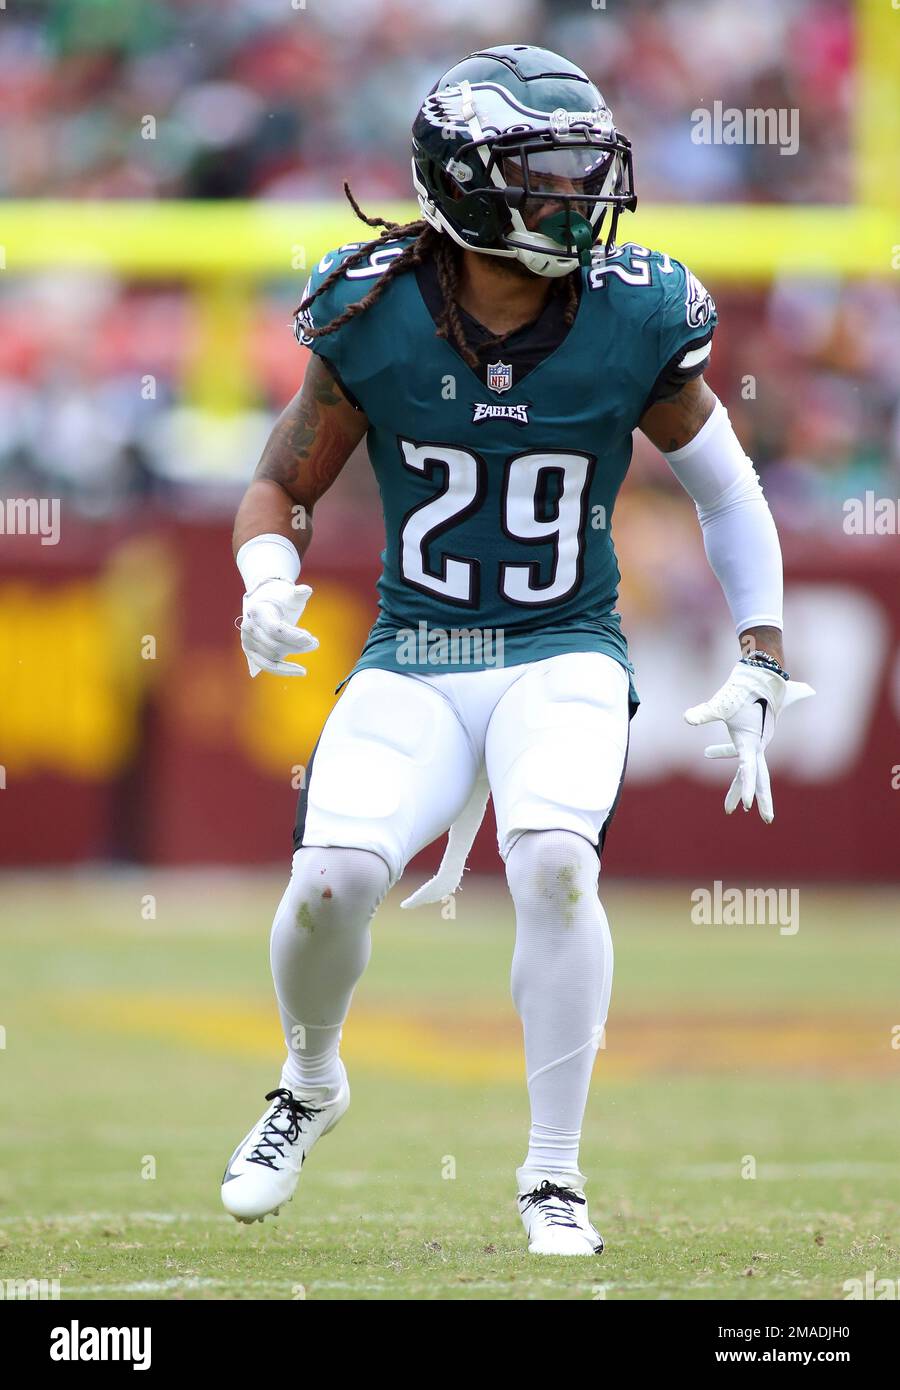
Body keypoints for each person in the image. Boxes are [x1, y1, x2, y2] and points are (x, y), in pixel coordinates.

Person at [221, 44, 812, 1256]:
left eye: (584, 169)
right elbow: (281, 482)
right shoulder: (374, 307)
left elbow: (729, 492)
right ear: (467, 184)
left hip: (563, 645)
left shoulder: (634, 307)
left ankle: (553, 1176)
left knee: (553, 861)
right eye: (545, 174)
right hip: (417, 648)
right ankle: (309, 1080)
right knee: (329, 886)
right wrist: (266, 572)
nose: (578, 198)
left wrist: (761, 648)